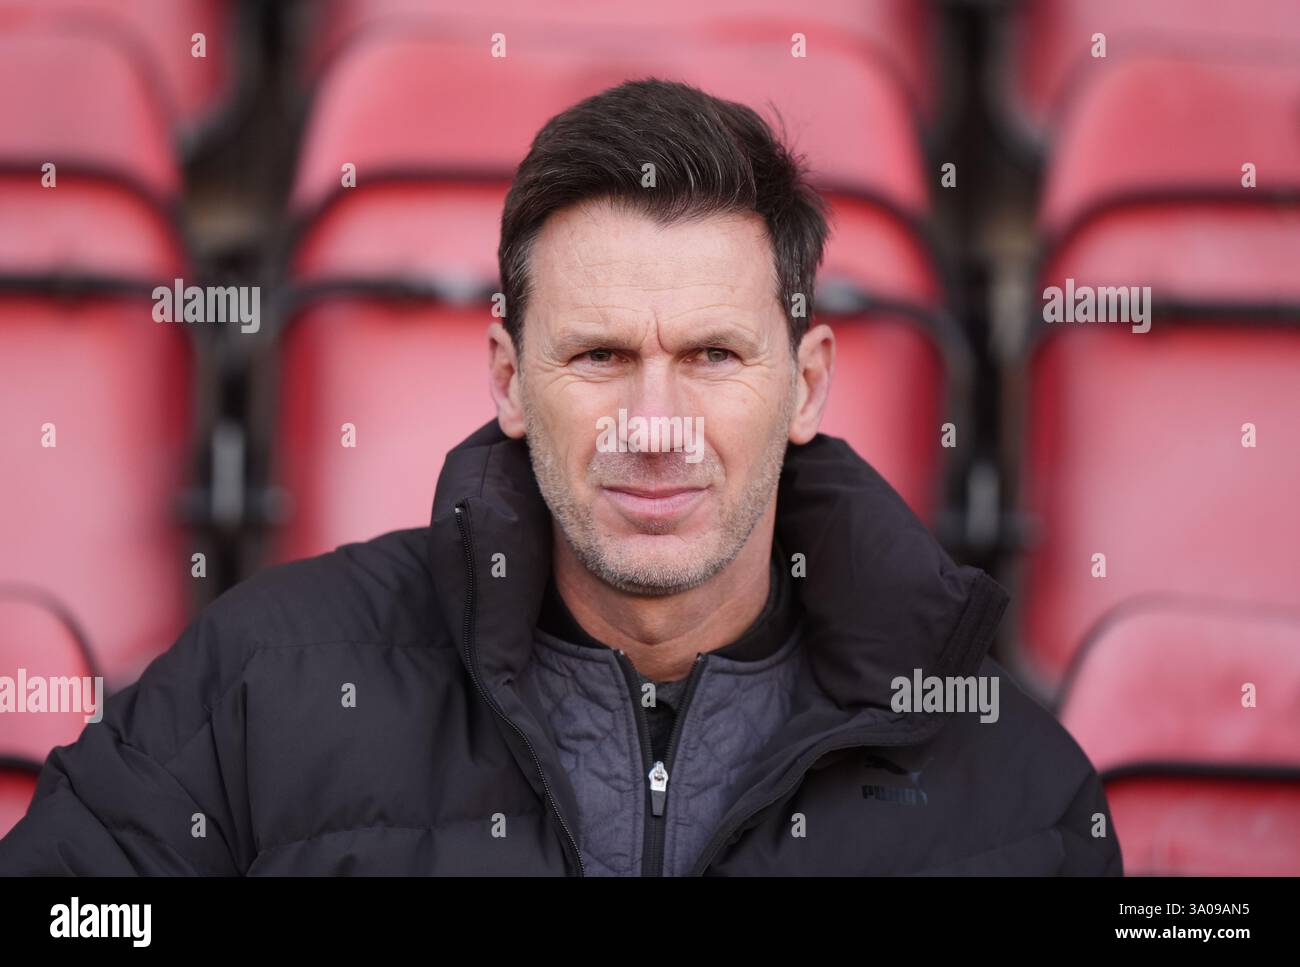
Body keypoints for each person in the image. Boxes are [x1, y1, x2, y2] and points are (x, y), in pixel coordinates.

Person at [0, 78, 1121, 876]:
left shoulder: (1011, 792)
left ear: (807, 384)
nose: (655, 425)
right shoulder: (257, 689)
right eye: (598, 357)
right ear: (507, 375)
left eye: (712, 356)